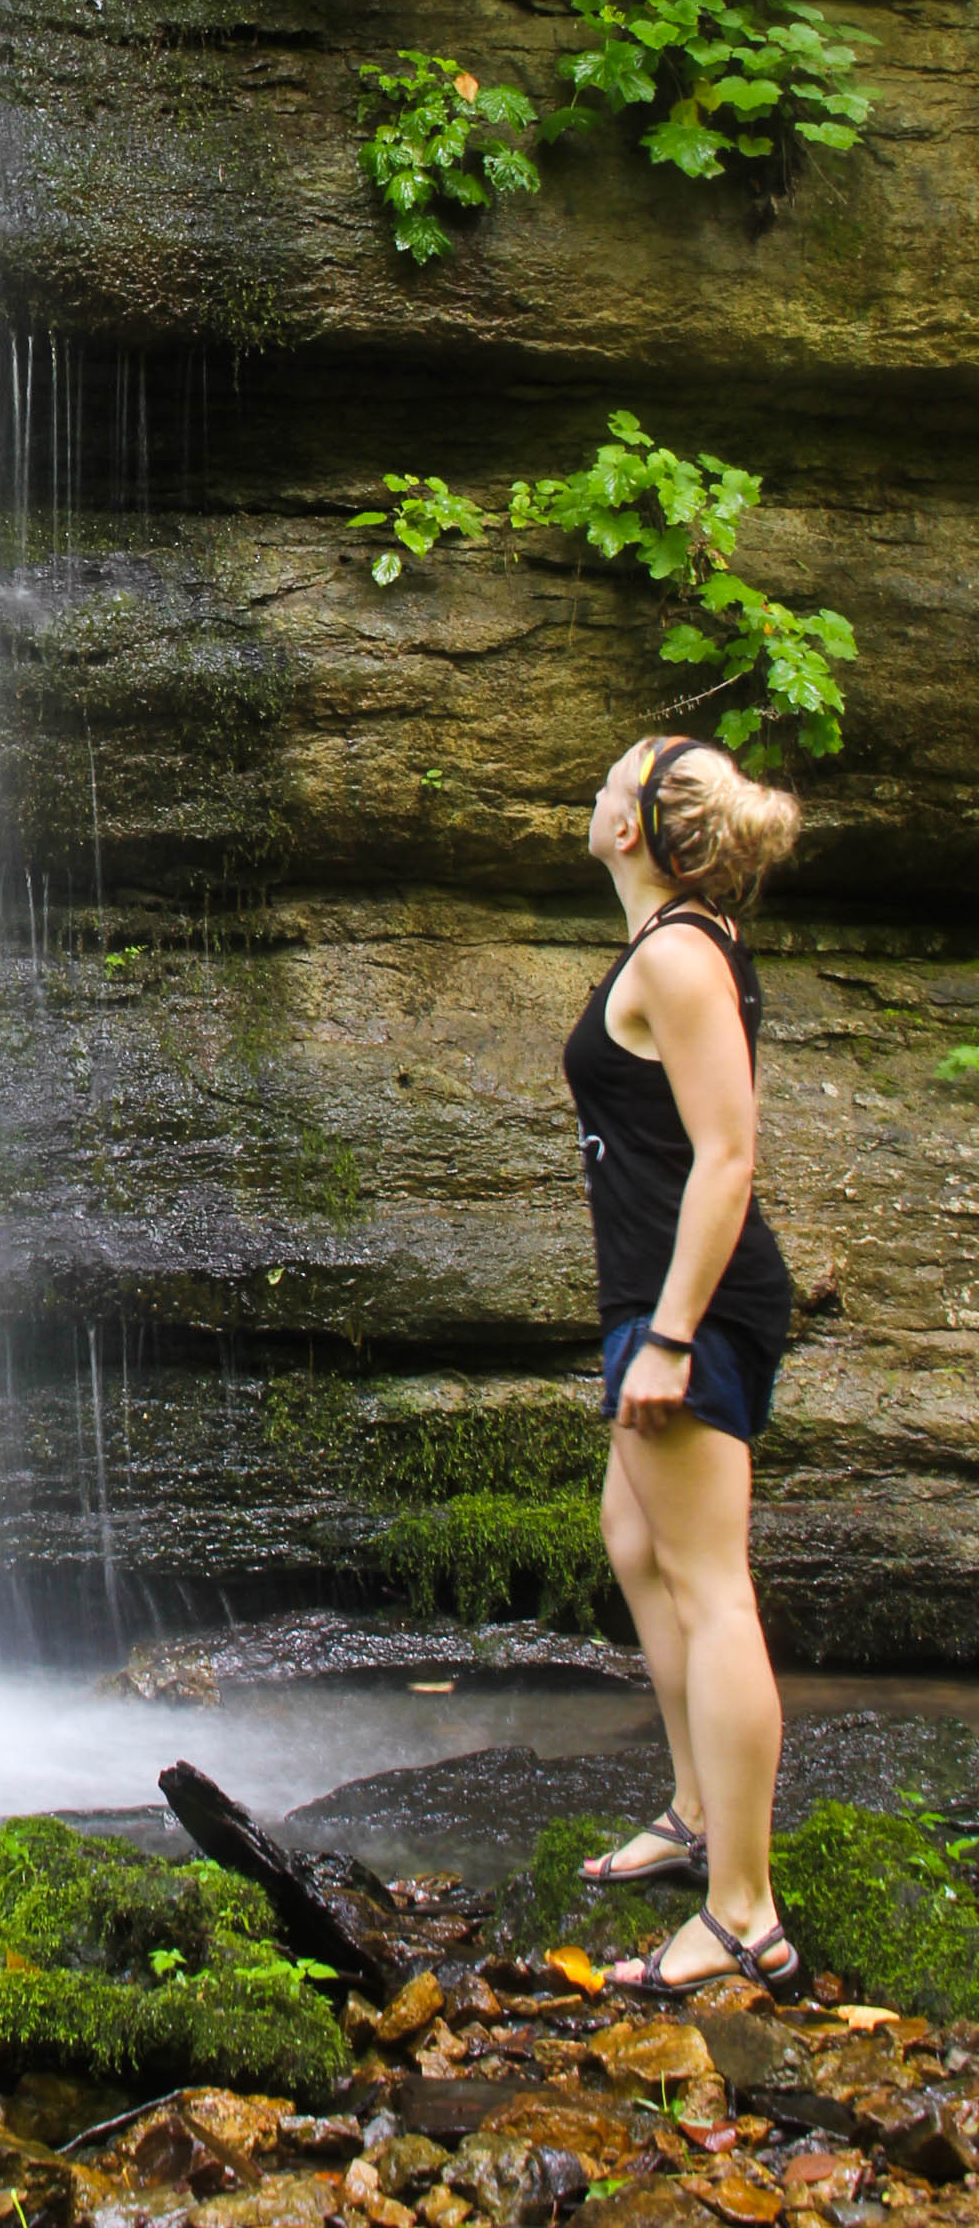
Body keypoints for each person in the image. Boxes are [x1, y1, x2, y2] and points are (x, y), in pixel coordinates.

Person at [565, 732, 804, 1994]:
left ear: (632, 832)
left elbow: (728, 1156)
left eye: (611, 782)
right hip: (661, 1296)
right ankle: (697, 1806)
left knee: (713, 1586)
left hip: (691, 1307)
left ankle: (742, 1910)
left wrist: (667, 1335)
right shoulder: (667, 942)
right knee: (635, 1538)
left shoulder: (677, 954)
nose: (594, 790)